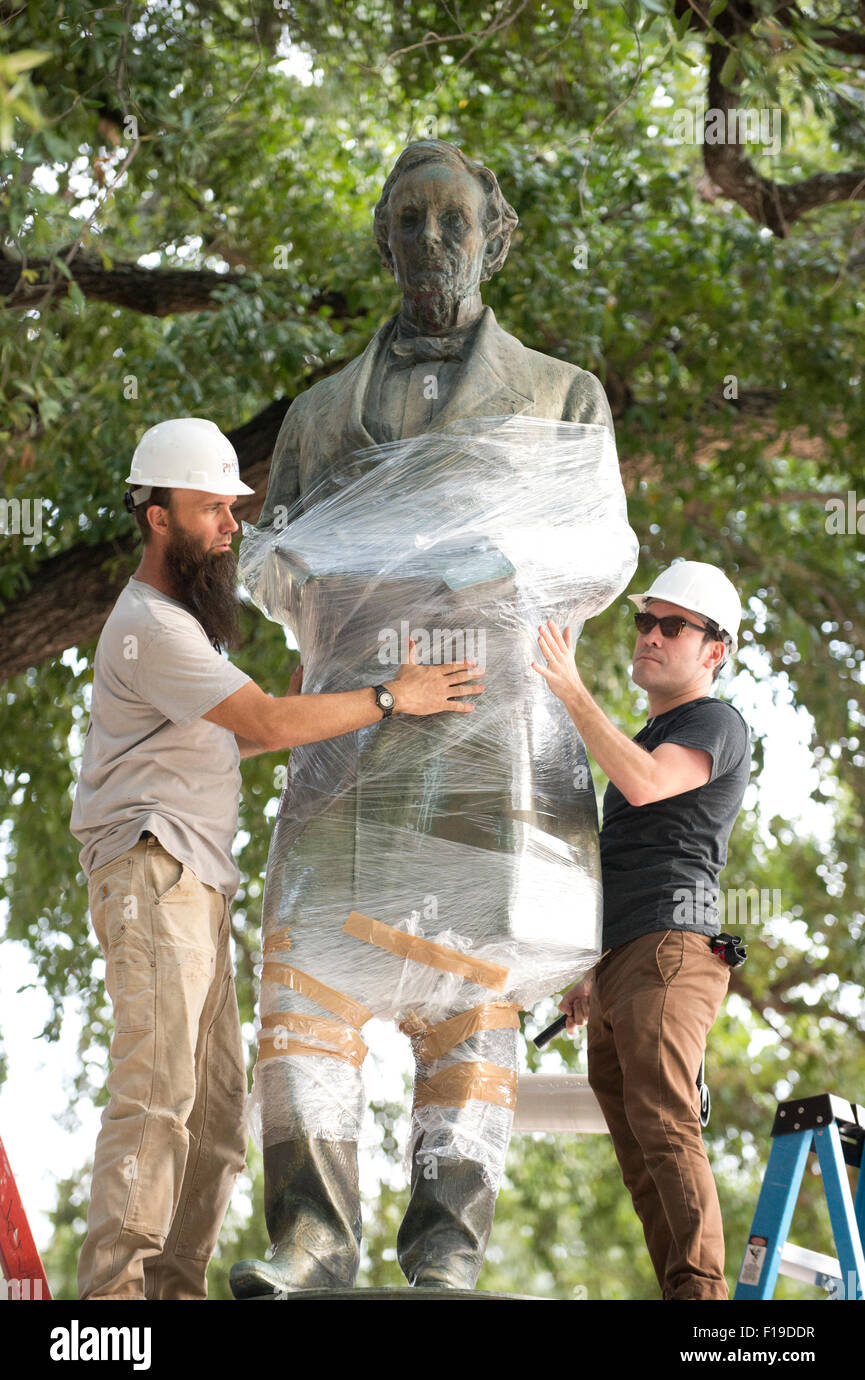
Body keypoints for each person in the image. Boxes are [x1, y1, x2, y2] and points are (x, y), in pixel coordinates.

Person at [228, 138, 637, 1299]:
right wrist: (343, 573)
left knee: (470, 1001)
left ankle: (445, 1248)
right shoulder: (314, 415)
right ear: (383, 238)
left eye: (452, 221)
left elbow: (597, 551)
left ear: (493, 236)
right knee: (304, 981)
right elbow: (273, 567)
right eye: (409, 222)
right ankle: (312, 1237)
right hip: (349, 744)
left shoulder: (562, 395)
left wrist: (486, 556)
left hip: (490, 741)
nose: (431, 243)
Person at [69, 416, 484, 1300]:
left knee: (217, 1118)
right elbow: (261, 724)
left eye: (233, 508)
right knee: (157, 1093)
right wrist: (389, 697)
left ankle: (172, 1295)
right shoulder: (152, 627)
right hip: (153, 874)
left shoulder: (186, 628)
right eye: (213, 508)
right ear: (158, 516)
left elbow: (236, 737)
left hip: (194, 884)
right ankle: (112, 1304)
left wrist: (309, 695)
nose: (230, 524)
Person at [533, 559, 751, 1301]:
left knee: (663, 1127)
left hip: (670, 949)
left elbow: (646, 783)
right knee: (636, 1149)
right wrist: (593, 970)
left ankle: (704, 1308)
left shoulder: (713, 722)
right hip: (627, 956)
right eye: (643, 621)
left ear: (713, 649)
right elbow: (627, 855)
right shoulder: (651, 732)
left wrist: (568, 687)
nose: (649, 636)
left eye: (671, 626)